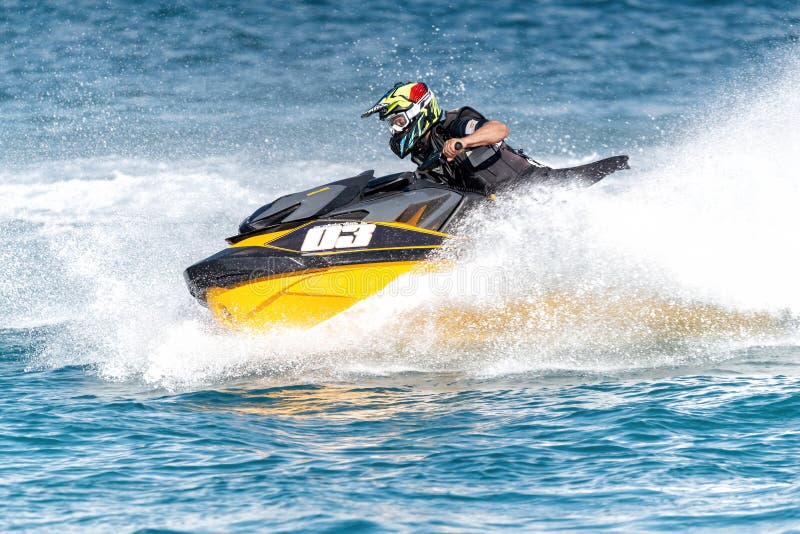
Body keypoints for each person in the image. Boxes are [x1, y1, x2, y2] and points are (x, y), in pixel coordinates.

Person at [361, 81, 545, 195]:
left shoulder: (454, 124)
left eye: (398, 121)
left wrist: (463, 142)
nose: (394, 129)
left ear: (419, 112)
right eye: (391, 124)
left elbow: (499, 129)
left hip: (537, 184)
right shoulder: (422, 155)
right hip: (501, 204)